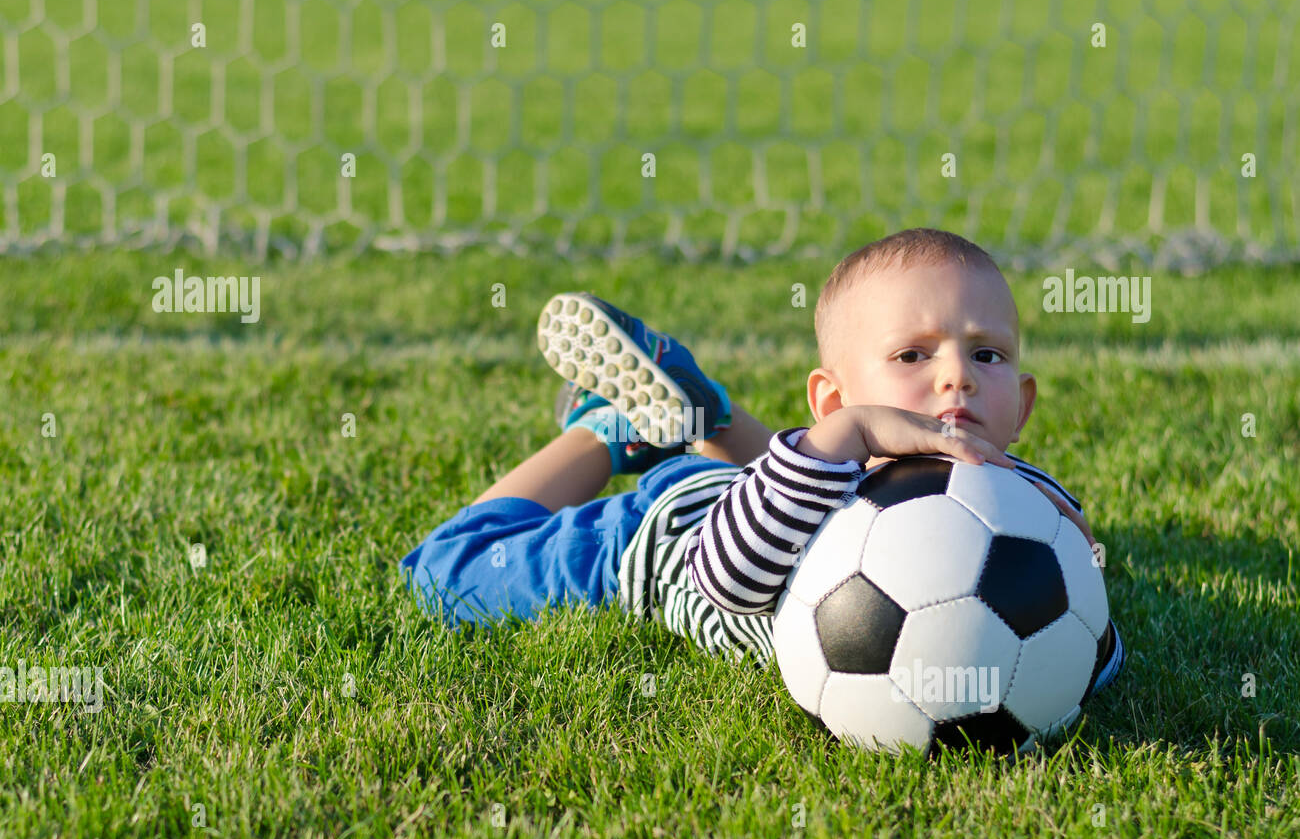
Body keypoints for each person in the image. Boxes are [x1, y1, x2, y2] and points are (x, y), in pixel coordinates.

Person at [401, 228, 1125, 701]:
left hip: (774, 480)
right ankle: (604, 434)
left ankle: (702, 413)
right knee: (446, 571)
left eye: (986, 354)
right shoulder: (833, 447)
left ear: (1022, 406)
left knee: (805, 484)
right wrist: (854, 434)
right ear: (835, 402)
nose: (956, 377)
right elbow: (725, 580)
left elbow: (1096, 651)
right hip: (664, 540)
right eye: (913, 354)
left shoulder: (1021, 504)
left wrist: (1077, 570)